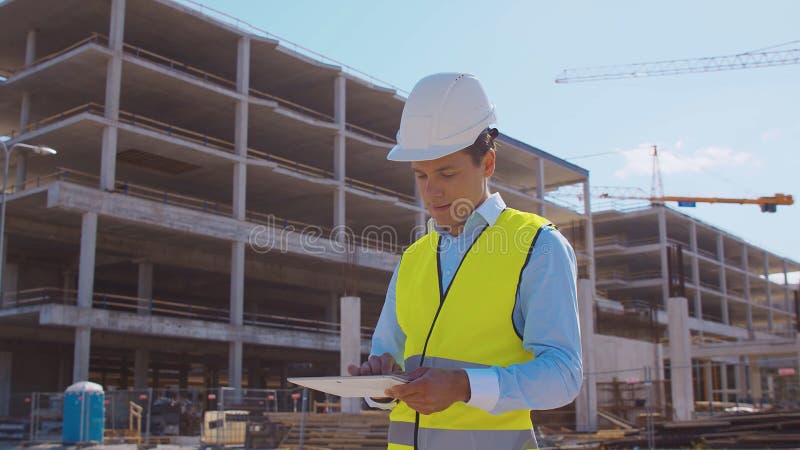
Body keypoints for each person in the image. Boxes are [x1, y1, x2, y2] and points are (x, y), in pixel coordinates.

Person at [348, 73, 583, 450]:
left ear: (487, 163)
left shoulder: (538, 245)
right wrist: (379, 384)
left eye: (447, 173)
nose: (431, 191)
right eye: (421, 175)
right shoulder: (413, 258)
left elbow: (563, 376)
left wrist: (463, 386)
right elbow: (387, 361)